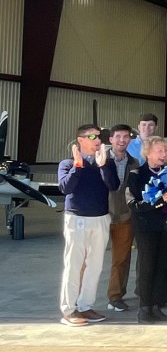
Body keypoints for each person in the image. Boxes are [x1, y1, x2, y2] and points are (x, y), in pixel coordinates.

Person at [58, 123, 119, 326]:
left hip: (100, 217)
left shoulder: (105, 163)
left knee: (95, 265)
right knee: (74, 264)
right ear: (81, 140)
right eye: (92, 137)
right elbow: (66, 188)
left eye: (98, 137)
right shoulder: (67, 163)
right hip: (77, 218)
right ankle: (69, 309)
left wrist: (103, 166)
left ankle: (85, 305)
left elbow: (114, 186)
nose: (97, 140)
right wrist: (77, 166)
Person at [126, 136, 167, 324]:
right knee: (147, 266)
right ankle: (144, 309)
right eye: (159, 151)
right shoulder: (137, 174)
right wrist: (160, 201)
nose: (164, 155)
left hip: (165, 226)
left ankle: (156, 306)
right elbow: (134, 204)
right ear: (148, 153)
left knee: (162, 266)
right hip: (145, 227)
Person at [105, 124, 138, 313]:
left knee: (121, 259)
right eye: (118, 136)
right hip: (100, 215)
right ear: (110, 140)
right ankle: (81, 299)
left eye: (126, 137)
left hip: (125, 216)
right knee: (88, 260)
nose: (122, 140)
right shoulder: (98, 160)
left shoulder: (134, 164)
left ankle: (115, 297)